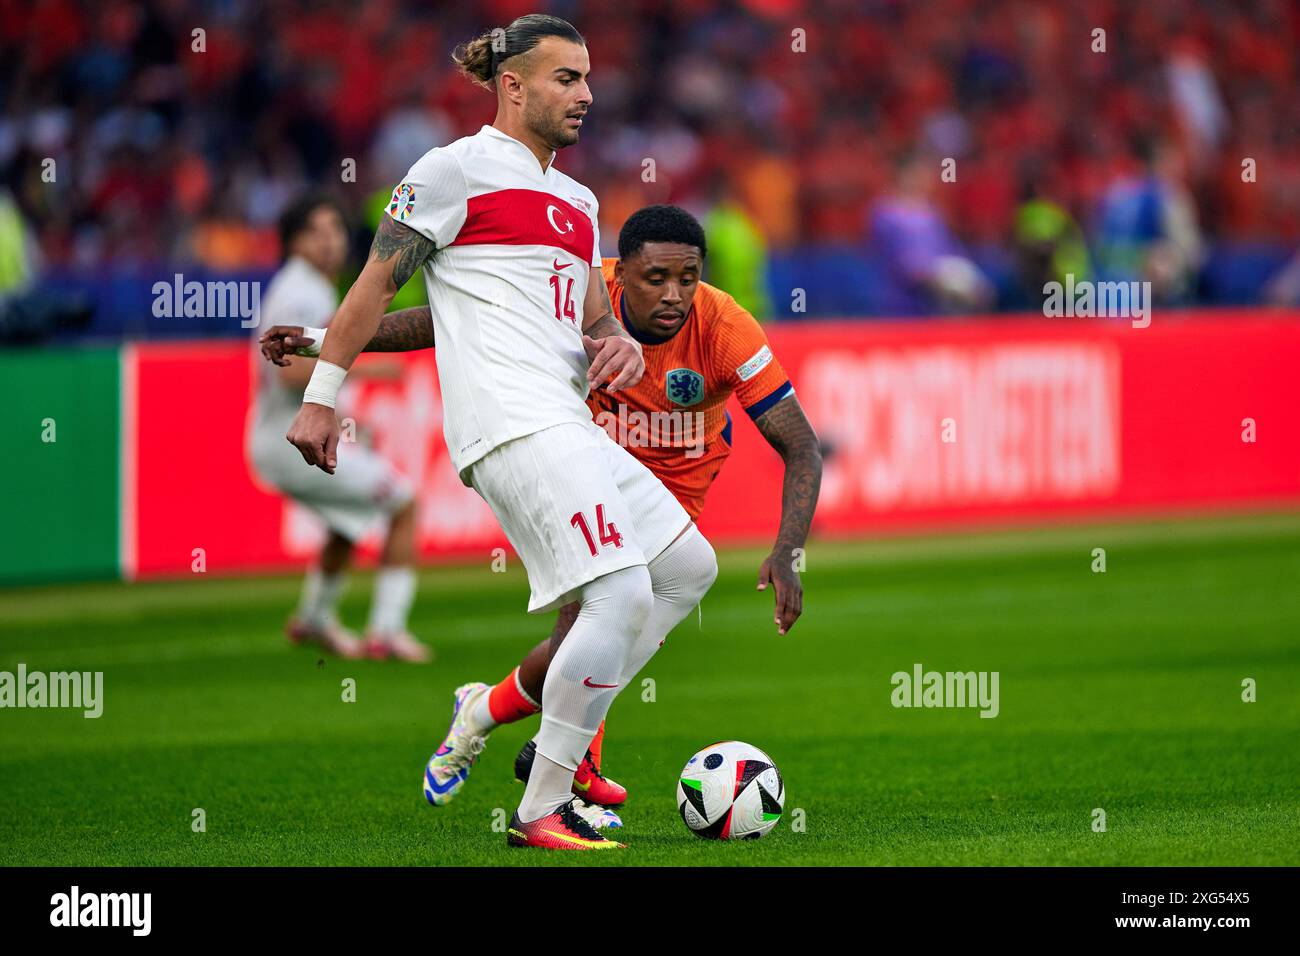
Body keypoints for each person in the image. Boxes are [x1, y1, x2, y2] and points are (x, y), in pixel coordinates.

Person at [280, 15, 717, 851]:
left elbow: (590, 321)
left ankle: (486, 712)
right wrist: (322, 390)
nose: (586, 94)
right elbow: (379, 285)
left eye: (588, 79)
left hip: (568, 419)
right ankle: (543, 803)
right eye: (566, 78)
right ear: (514, 86)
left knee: (685, 570)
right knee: (618, 592)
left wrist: (616, 343)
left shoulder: (578, 201)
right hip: (510, 424)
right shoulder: (451, 172)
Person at [261, 204, 823, 815]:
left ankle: (480, 713)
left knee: (590, 638)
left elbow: (800, 445)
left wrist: (788, 552)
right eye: (656, 278)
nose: (674, 294)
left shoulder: (725, 328)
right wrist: (327, 343)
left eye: (688, 278)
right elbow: (450, 320)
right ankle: (569, 778)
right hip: (587, 463)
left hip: (675, 496)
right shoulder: (580, 289)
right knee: (610, 613)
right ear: (619, 272)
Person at [246, 194, 427, 663]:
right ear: (292, 242)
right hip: (289, 440)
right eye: (316, 231)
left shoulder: (305, 287)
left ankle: (314, 620)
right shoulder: (303, 291)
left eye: (335, 230)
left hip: (278, 436)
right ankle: (387, 630)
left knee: (344, 524)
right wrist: (368, 369)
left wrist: (349, 418)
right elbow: (286, 372)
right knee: (404, 504)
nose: (330, 241)